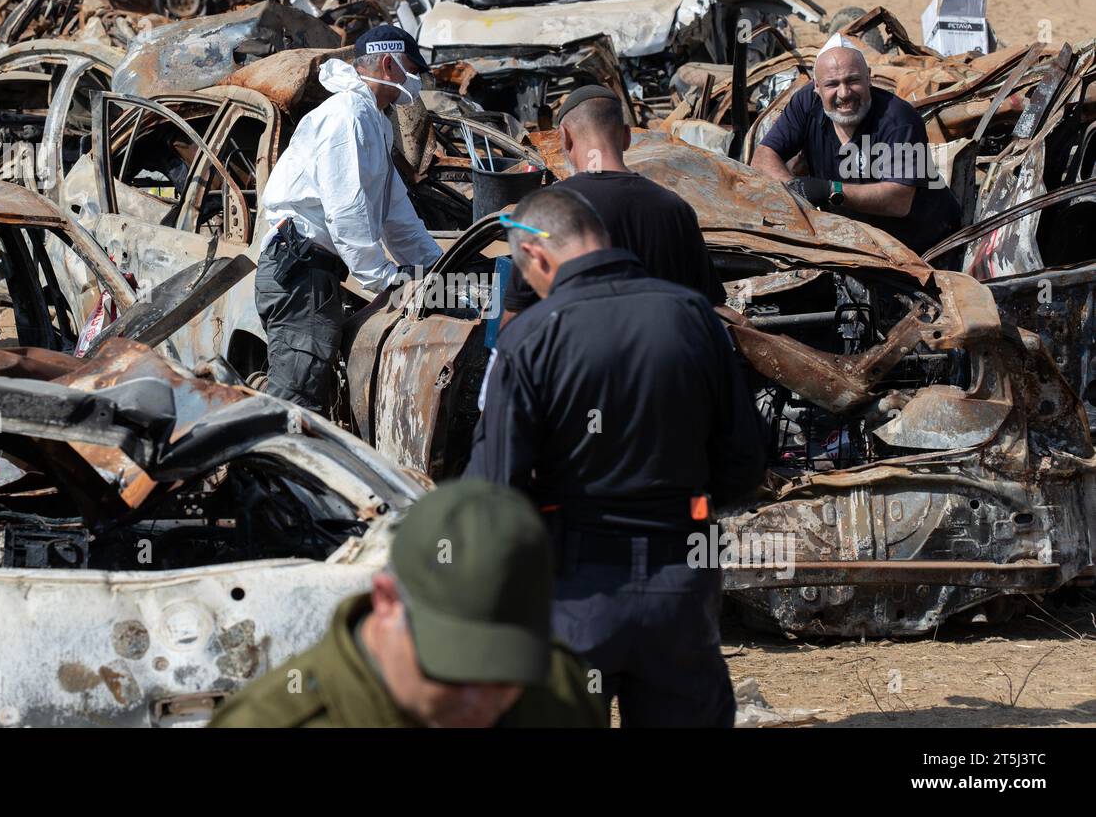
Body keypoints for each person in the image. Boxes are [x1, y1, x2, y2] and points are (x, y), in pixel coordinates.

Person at [467, 187, 764, 727]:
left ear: (535, 253)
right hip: (683, 585)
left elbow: (495, 492)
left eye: (523, 273)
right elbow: (745, 461)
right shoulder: (694, 316)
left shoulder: (530, 337)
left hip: (574, 595)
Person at [208, 480, 608, 728]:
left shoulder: (560, 693)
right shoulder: (267, 721)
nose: (478, 706)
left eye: (504, 677)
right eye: (452, 672)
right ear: (386, 601)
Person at [255, 25, 443, 414]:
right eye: (411, 69)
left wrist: (437, 267)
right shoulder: (346, 116)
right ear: (389, 65)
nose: (416, 81)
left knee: (313, 404)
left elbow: (397, 216)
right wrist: (385, 279)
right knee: (296, 407)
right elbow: (347, 209)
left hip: (317, 275)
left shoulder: (373, 121)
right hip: (300, 273)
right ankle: (264, 474)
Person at [501, 85, 723, 327]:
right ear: (627, 136)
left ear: (564, 137)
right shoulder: (676, 209)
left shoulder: (542, 212)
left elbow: (514, 324)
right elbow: (708, 307)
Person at [750, 32, 961, 254]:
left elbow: (899, 201)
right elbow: (763, 156)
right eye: (832, 84)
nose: (844, 93)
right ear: (817, 88)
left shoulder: (899, 120)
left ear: (868, 78)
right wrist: (795, 190)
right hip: (856, 242)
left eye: (852, 80)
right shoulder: (806, 103)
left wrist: (831, 190)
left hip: (923, 244)